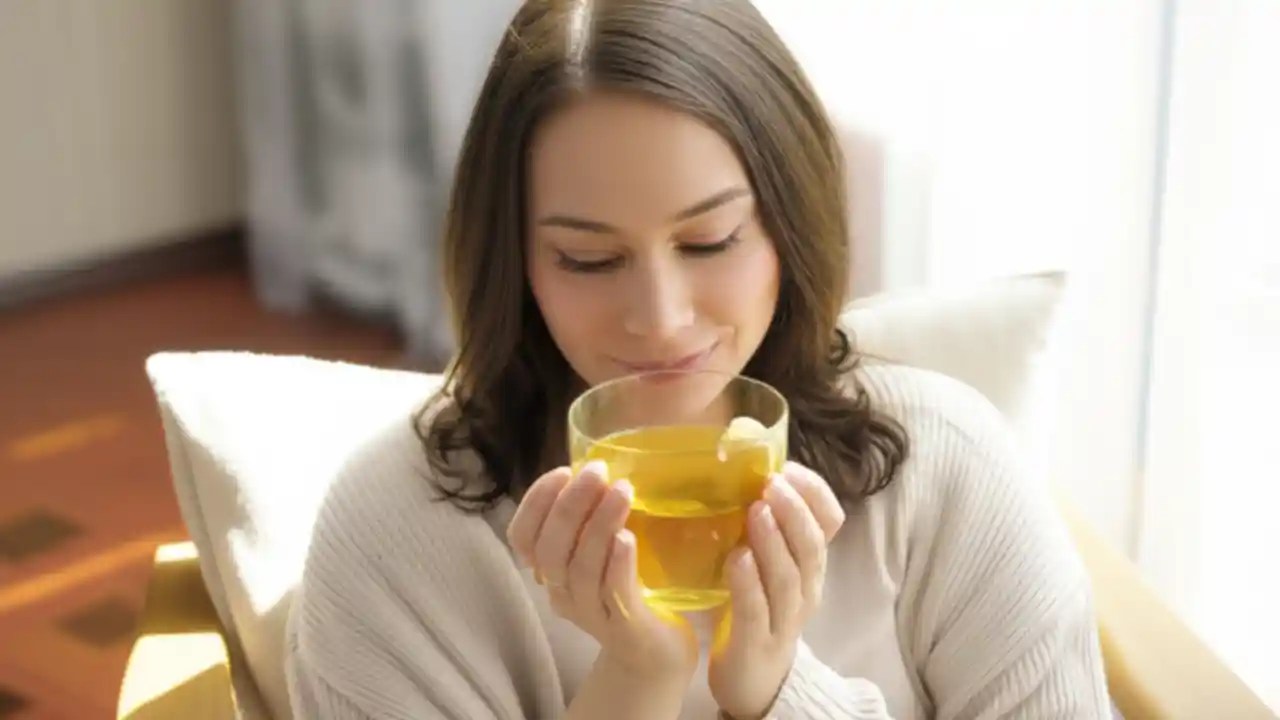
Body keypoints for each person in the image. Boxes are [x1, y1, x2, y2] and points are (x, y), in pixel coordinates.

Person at [285, 1, 1111, 718]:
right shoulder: (395, 535)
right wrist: (637, 680)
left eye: (710, 240)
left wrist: (780, 691)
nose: (661, 319)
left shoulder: (946, 473)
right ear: (515, 260)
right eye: (589, 259)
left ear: (789, 224)